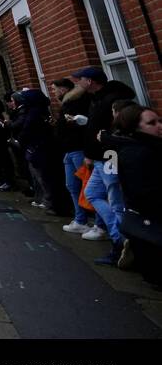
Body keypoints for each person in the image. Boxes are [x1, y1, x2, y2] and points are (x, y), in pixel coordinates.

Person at [73, 66, 136, 260]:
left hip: (109, 155)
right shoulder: (97, 99)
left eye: (80, 79)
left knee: (116, 200)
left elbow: (114, 129)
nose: (78, 83)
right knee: (92, 194)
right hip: (99, 156)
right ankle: (119, 234)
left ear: (90, 81)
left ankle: (122, 241)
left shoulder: (112, 100)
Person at [103, 105, 162, 280]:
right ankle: (118, 241)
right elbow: (143, 193)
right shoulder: (136, 152)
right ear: (133, 127)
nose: (160, 126)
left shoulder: (148, 147)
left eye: (160, 120)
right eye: (152, 123)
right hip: (150, 224)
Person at [52, 78, 94, 233]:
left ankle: (97, 222)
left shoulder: (77, 103)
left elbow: (85, 127)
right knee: (72, 185)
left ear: (63, 89)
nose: (54, 92)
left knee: (88, 186)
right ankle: (80, 219)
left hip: (78, 149)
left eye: (55, 89)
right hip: (69, 150)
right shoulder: (68, 103)